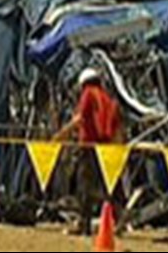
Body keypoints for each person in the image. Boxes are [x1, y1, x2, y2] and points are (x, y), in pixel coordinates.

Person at [56, 67, 123, 235]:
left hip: (88, 147)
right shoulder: (107, 98)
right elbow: (117, 126)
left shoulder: (88, 94)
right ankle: (117, 221)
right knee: (108, 185)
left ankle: (84, 224)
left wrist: (61, 134)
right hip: (106, 148)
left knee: (84, 186)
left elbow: (80, 118)